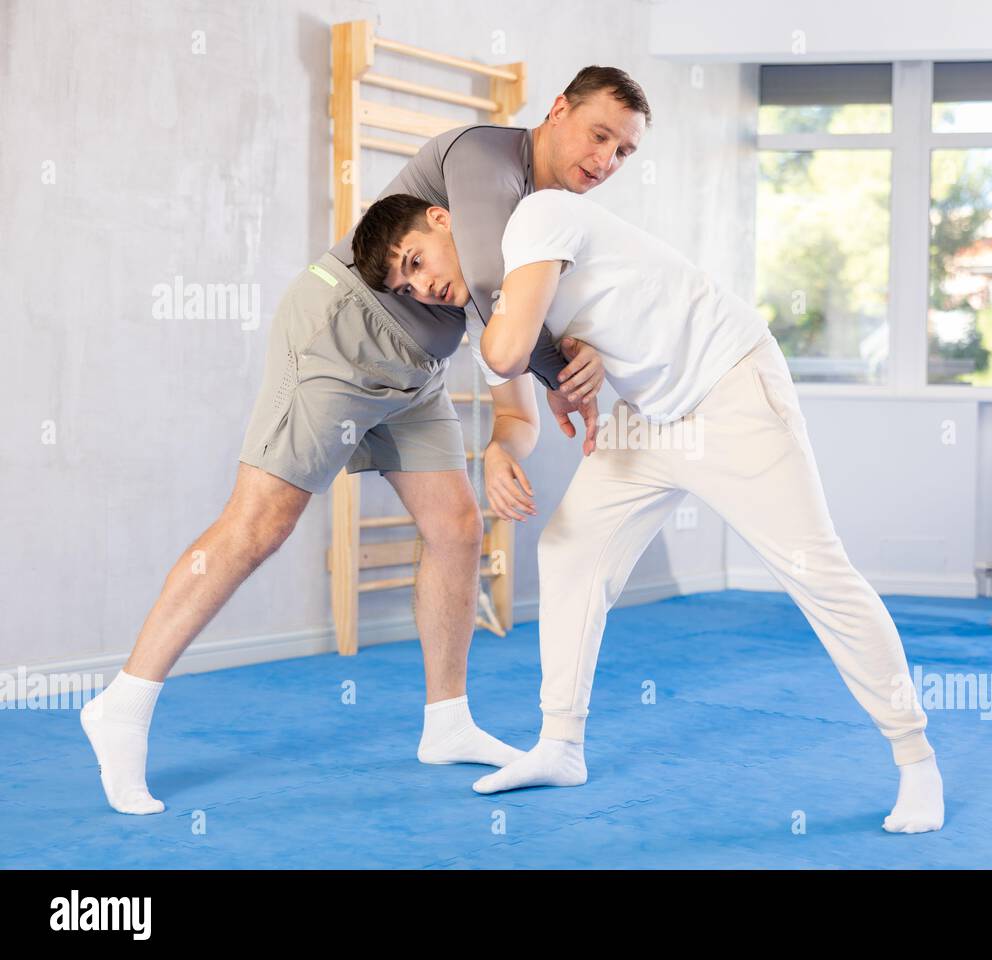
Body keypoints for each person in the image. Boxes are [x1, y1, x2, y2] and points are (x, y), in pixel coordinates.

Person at [79, 67, 650, 815]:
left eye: (624, 152)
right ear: (556, 110)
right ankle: (121, 706)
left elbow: (530, 324)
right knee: (259, 526)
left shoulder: (540, 212)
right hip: (340, 331)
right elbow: (493, 298)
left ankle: (447, 723)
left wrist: (579, 363)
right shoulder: (487, 157)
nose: (605, 160)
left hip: (417, 364)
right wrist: (561, 365)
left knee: (455, 526)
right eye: (599, 134)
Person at [352, 187, 945, 834]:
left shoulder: (535, 218)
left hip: (730, 390)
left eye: (414, 262)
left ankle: (916, 762)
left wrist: (563, 359)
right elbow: (518, 413)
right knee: (569, 547)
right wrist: (497, 450)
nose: (421, 287)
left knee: (817, 572)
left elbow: (507, 354)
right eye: (404, 288)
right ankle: (560, 746)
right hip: (648, 420)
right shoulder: (483, 310)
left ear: (444, 218)